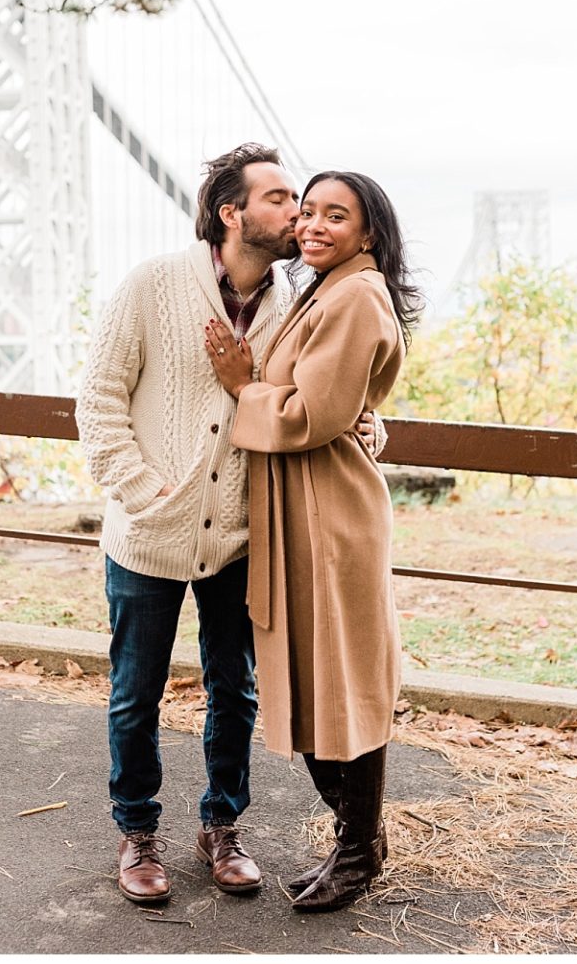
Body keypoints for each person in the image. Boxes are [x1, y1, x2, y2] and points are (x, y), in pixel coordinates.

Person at [76, 143, 383, 906]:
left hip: (244, 536)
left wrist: (368, 426)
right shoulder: (153, 284)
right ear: (231, 212)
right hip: (149, 533)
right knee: (134, 693)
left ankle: (223, 824)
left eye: (310, 206)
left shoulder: (295, 301)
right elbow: (99, 402)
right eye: (283, 200)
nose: (299, 215)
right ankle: (138, 830)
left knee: (235, 691)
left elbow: (326, 390)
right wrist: (144, 491)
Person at [204, 170, 420, 912]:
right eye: (310, 212)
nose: (315, 225)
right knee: (315, 680)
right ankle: (359, 837)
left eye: (338, 215)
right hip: (304, 509)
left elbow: (312, 415)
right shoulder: (326, 289)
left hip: (332, 515)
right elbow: (340, 400)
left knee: (343, 682)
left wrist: (241, 388)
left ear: (368, 233)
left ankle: (359, 849)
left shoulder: (356, 294)